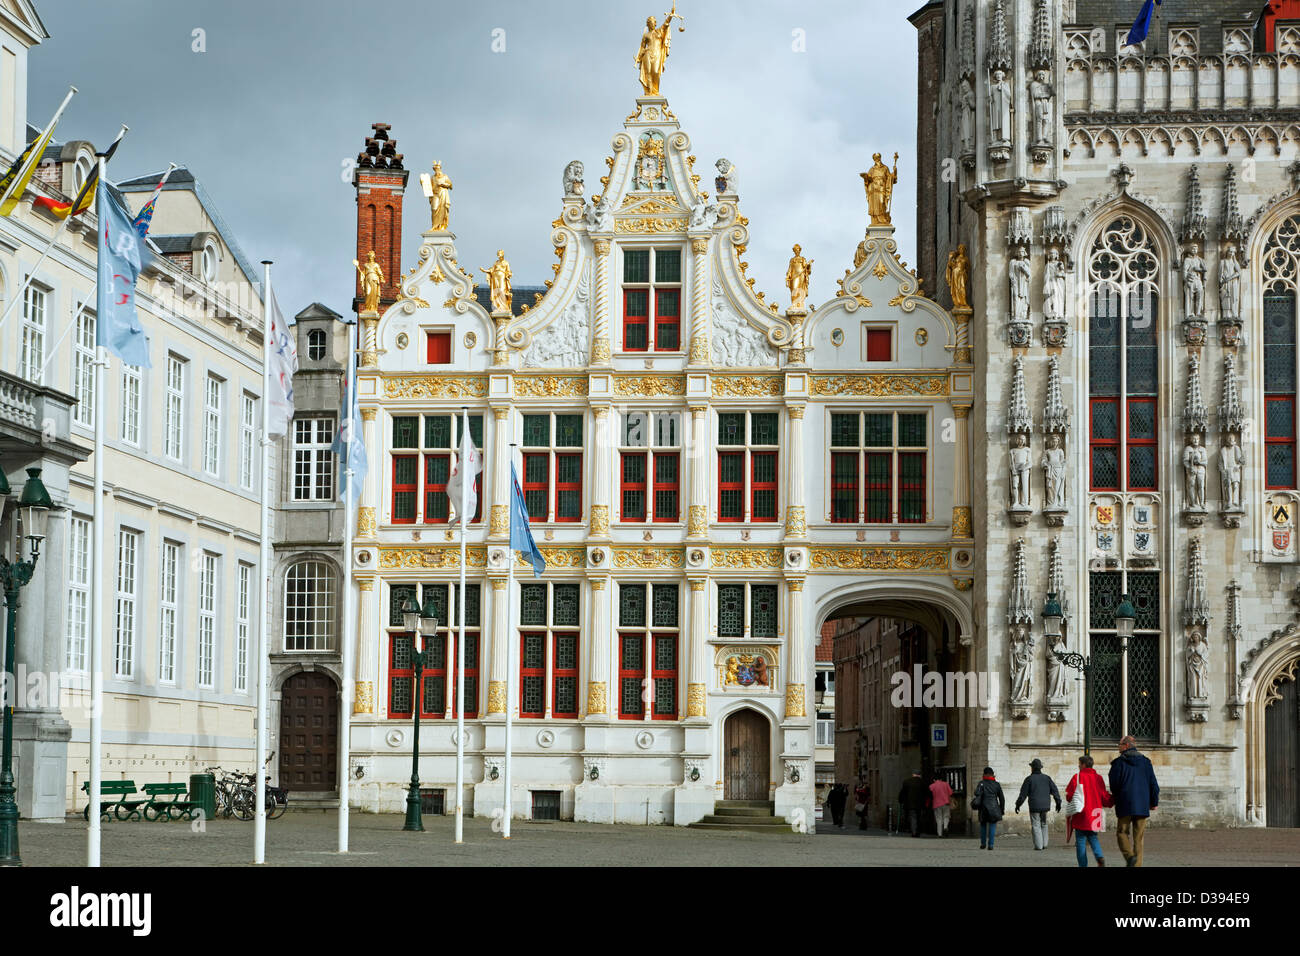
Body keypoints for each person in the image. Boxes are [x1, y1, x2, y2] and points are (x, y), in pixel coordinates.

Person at [1109, 735, 1160, 867]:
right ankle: (1136, 865)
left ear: (1126, 746)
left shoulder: (1118, 763)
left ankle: (1129, 856)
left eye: (1119, 745)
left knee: (1122, 833)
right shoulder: (1146, 762)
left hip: (1125, 803)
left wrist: (1116, 796)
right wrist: (1154, 802)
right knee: (1139, 838)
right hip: (1142, 805)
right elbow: (1153, 784)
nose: (1118, 747)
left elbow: (1114, 784)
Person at [1065, 754, 1113, 867]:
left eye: (1079, 764)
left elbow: (1069, 796)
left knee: (1081, 842)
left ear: (1084, 765)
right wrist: (1112, 800)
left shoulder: (1077, 777)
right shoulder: (1098, 778)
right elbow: (1104, 796)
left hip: (1081, 813)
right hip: (1095, 813)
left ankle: (1083, 865)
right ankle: (1099, 855)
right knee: (1093, 838)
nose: (1078, 766)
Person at [1014, 758, 1062, 851]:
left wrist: (1018, 805)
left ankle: (1038, 846)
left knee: (1036, 825)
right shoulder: (1047, 778)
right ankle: (1044, 843)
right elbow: (1055, 790)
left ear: (1032, 768)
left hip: (1034, 805)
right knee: (1044, 824)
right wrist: (1058, 802)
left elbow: (1022, 795)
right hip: (1045, 806)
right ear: (1040, 768)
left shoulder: (1029, 779)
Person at [971, 766, 1004, 851]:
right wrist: (1002, 809)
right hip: (994, 808)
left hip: (983, 808)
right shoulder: (996, 784)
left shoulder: (981, 783)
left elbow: (976, 793)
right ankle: (991, 845)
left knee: (983, 825)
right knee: (992, 825)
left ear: (984, 774)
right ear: (992, 774)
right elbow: (1001, 798)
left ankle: (983, 843)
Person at [899, 771, 928, 838]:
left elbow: (903, 792)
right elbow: (927, 792)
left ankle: (914, 832)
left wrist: (900, 800)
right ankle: (918, 831)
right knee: (919, 817)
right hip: (920, 804)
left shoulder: (906, 782)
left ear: (913, 774)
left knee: (913, 817)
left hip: (910, 804)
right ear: (919, 775)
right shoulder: (923, 782)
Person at [929, 772, 954, 837]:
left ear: (934, 779)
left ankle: (940, 834)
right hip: (946, 803)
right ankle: (945, 827)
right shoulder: (946, 784)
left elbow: (930, 795)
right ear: (941, 778)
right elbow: (951, 793)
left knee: (939, 819)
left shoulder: (932, 786)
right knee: (946, 816)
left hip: (936, 804)